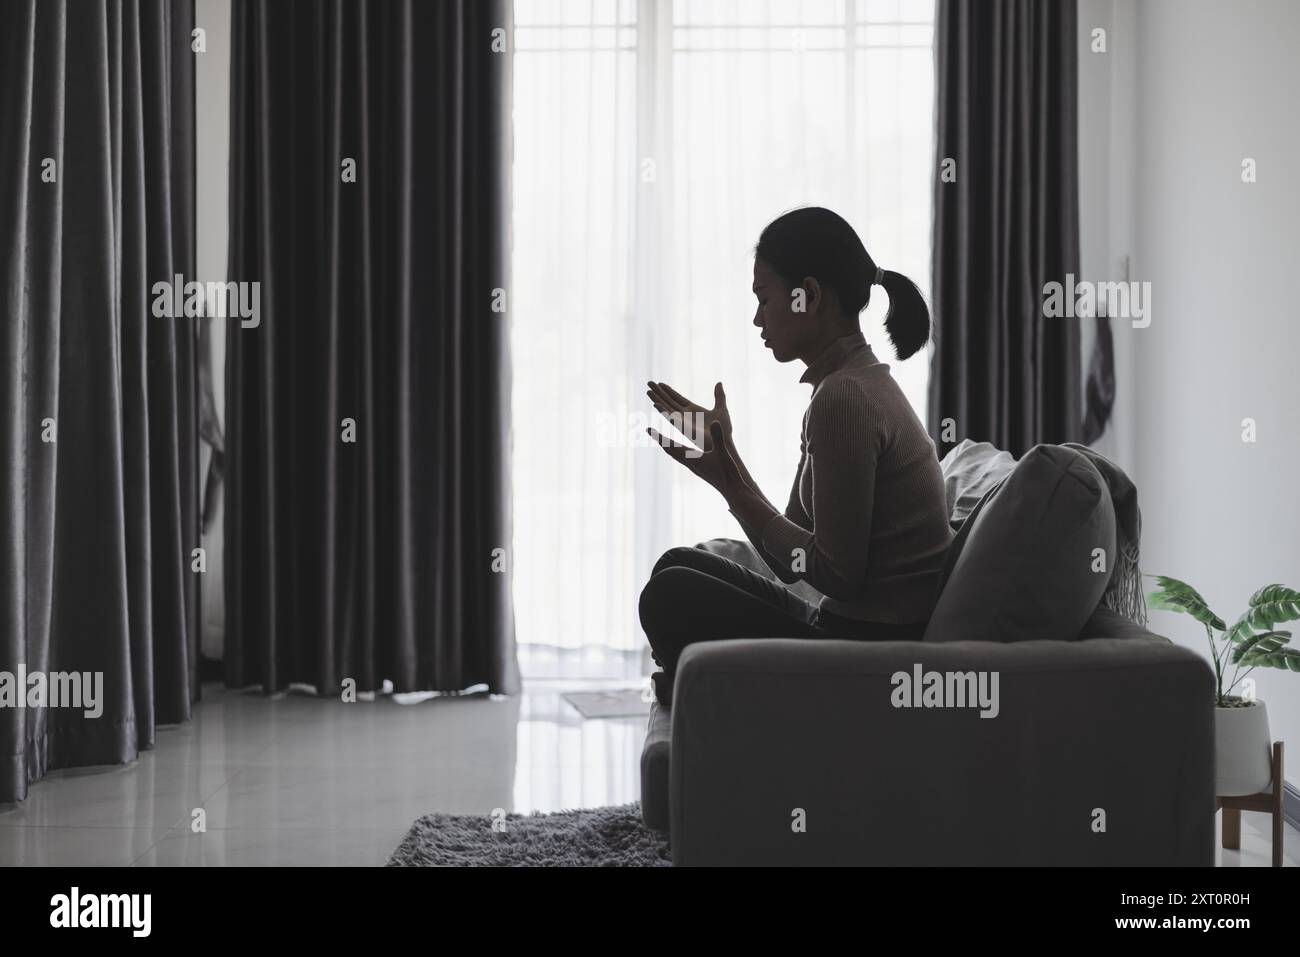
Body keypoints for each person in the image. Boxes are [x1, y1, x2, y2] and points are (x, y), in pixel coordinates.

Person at [642, 206, 954, 707]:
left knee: (669, 594)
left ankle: (701, 686)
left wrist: (731, 486)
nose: (757, 318)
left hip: (866, 654)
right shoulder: (849, 385)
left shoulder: (844, 400)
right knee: (677, 565)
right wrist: (728, 459)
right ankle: (697, 680)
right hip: (851, 630)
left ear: (806, 295)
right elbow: (790, 561)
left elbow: (837, 576)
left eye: (764, 299)